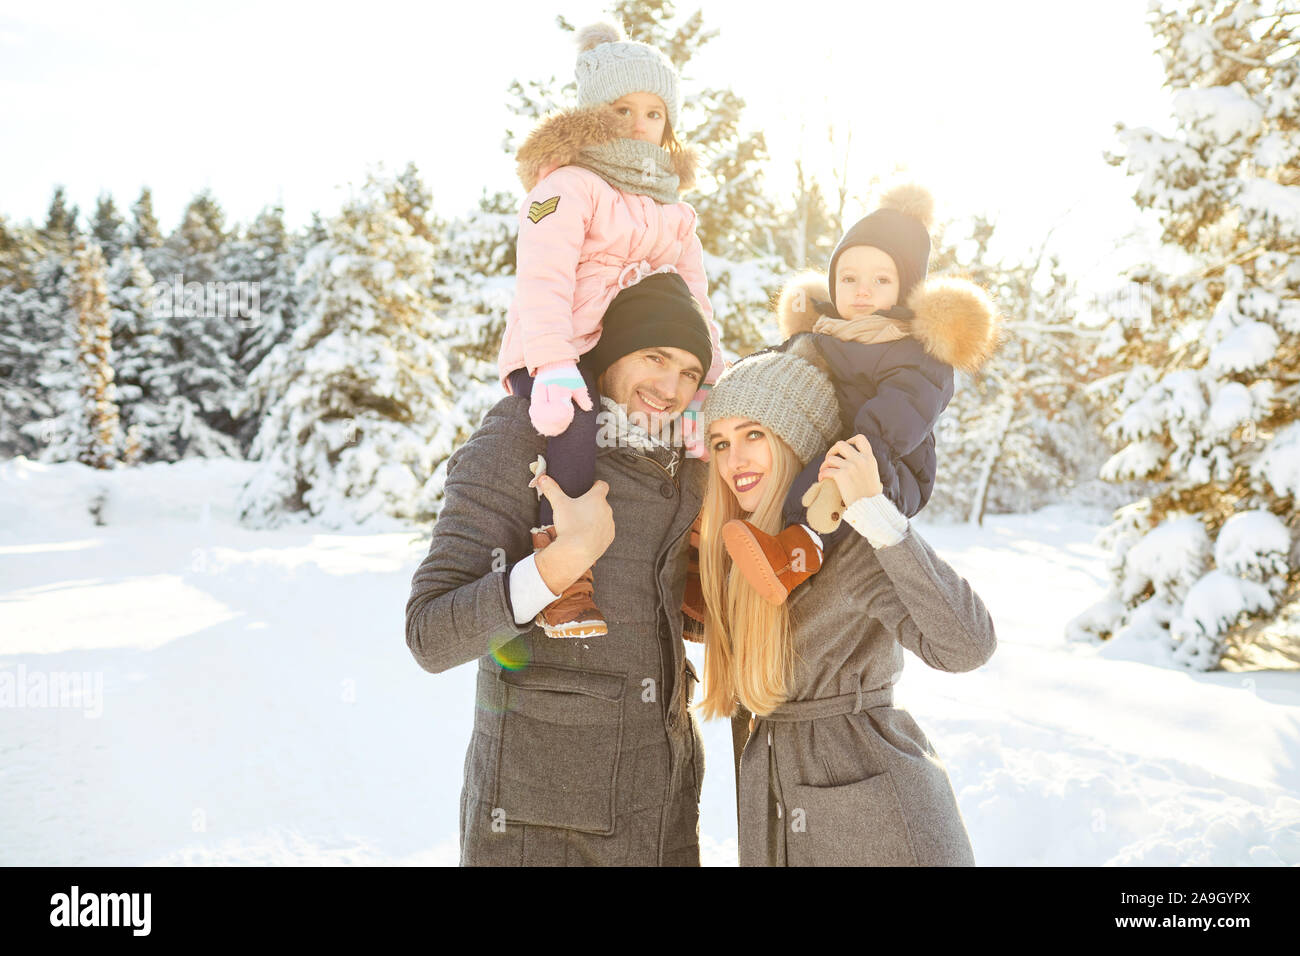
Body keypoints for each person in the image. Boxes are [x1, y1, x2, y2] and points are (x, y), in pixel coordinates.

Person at [405, 273, 715, 866]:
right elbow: (430, 635)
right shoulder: (525, 433)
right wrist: (558, 565)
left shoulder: (687, 462)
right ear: (610, 350)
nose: (671, 387)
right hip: (537, 821)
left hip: (664, 805)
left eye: (690, 373)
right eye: (656, 356)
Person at [694, 346, 998, 866]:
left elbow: (968, 645)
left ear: (798, 439)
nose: (734, 460)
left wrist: (879, 517)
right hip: (776, 804)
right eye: (720, 443)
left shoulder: (856, 543)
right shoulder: (742, 552)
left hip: (877, 814)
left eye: (754, 435)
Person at [498, 20, 726, 640]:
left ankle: (691, 571)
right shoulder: (566, 187)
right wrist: (549, 364)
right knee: (574, 437)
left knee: (691, 443)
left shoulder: (673, 210)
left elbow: (697, 301)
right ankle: (565, 577)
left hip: (626, 357)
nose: (638, 123)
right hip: (556, 358)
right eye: (622, 108)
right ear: (594, 114)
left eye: (653, 113)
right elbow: (541, 281)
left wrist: (705, 383)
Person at [708, 184, 998, 606]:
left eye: (881, 279)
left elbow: (902, 412)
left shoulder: (917, 353)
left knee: (836, 467)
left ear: (905, 288)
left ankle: (797, 551)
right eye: (849, 278)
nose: (862, 291)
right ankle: (713, 575)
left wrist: (857, 451)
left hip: (889, 461)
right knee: (756, 462)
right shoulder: (826, 335)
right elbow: (784, 365)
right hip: (841, 445)